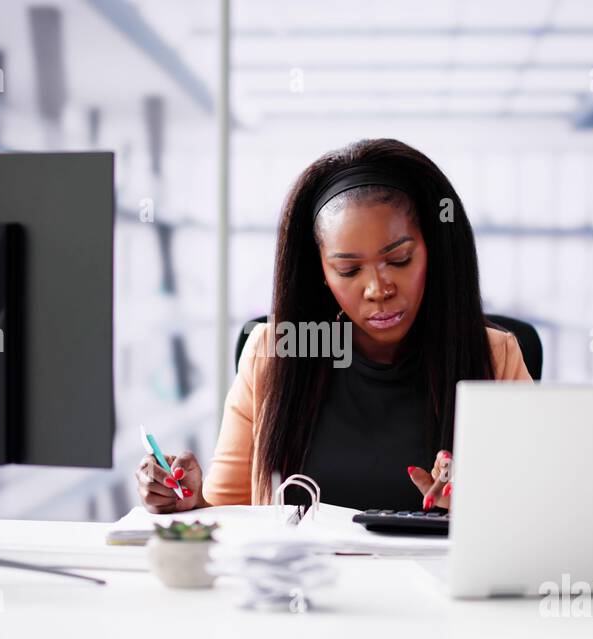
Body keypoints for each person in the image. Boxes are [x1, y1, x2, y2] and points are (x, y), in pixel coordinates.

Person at [136, 138, 531, 514]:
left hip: (435, 583)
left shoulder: (496, 356)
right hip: (305, 582)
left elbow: (537, 510)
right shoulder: (276, 353)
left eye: (399, 260)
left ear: (433, 250)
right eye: (349, 269)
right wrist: (184, 501)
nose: (378, 289)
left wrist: (482, 505)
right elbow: (227, 515)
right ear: (322, 273)